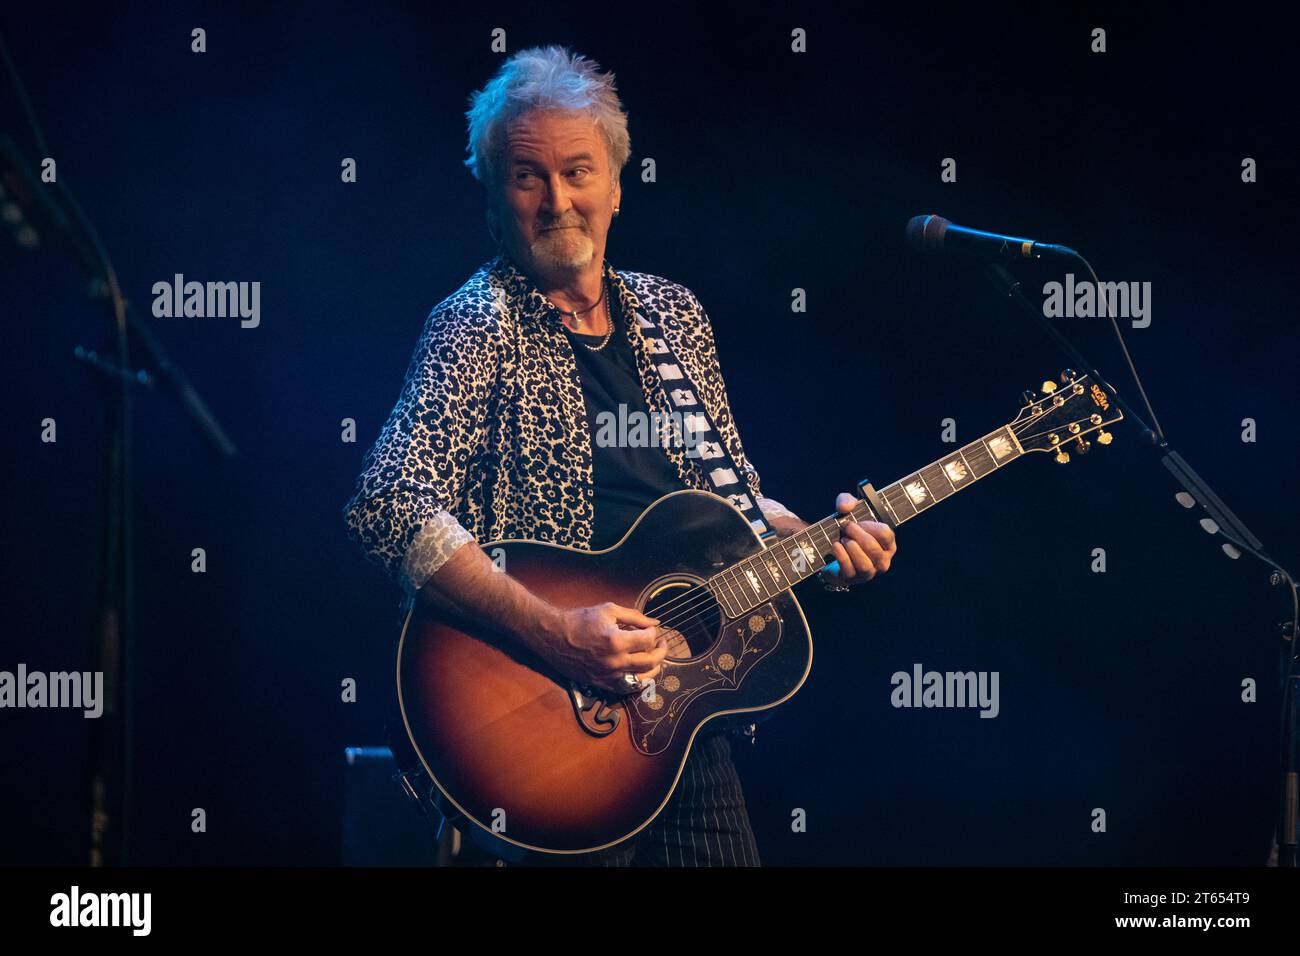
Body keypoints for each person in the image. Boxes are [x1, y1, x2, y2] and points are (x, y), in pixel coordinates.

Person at [343, 45, 897, 866]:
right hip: (543, 734)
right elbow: (389, 502)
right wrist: (555, 633)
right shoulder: (475, 323)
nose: (556, 200)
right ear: (492, 197)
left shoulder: (676, 315)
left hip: (682, 725)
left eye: (577, 172)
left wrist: (816, 545)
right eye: (527, 176)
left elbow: (733, 505)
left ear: (615, 186)